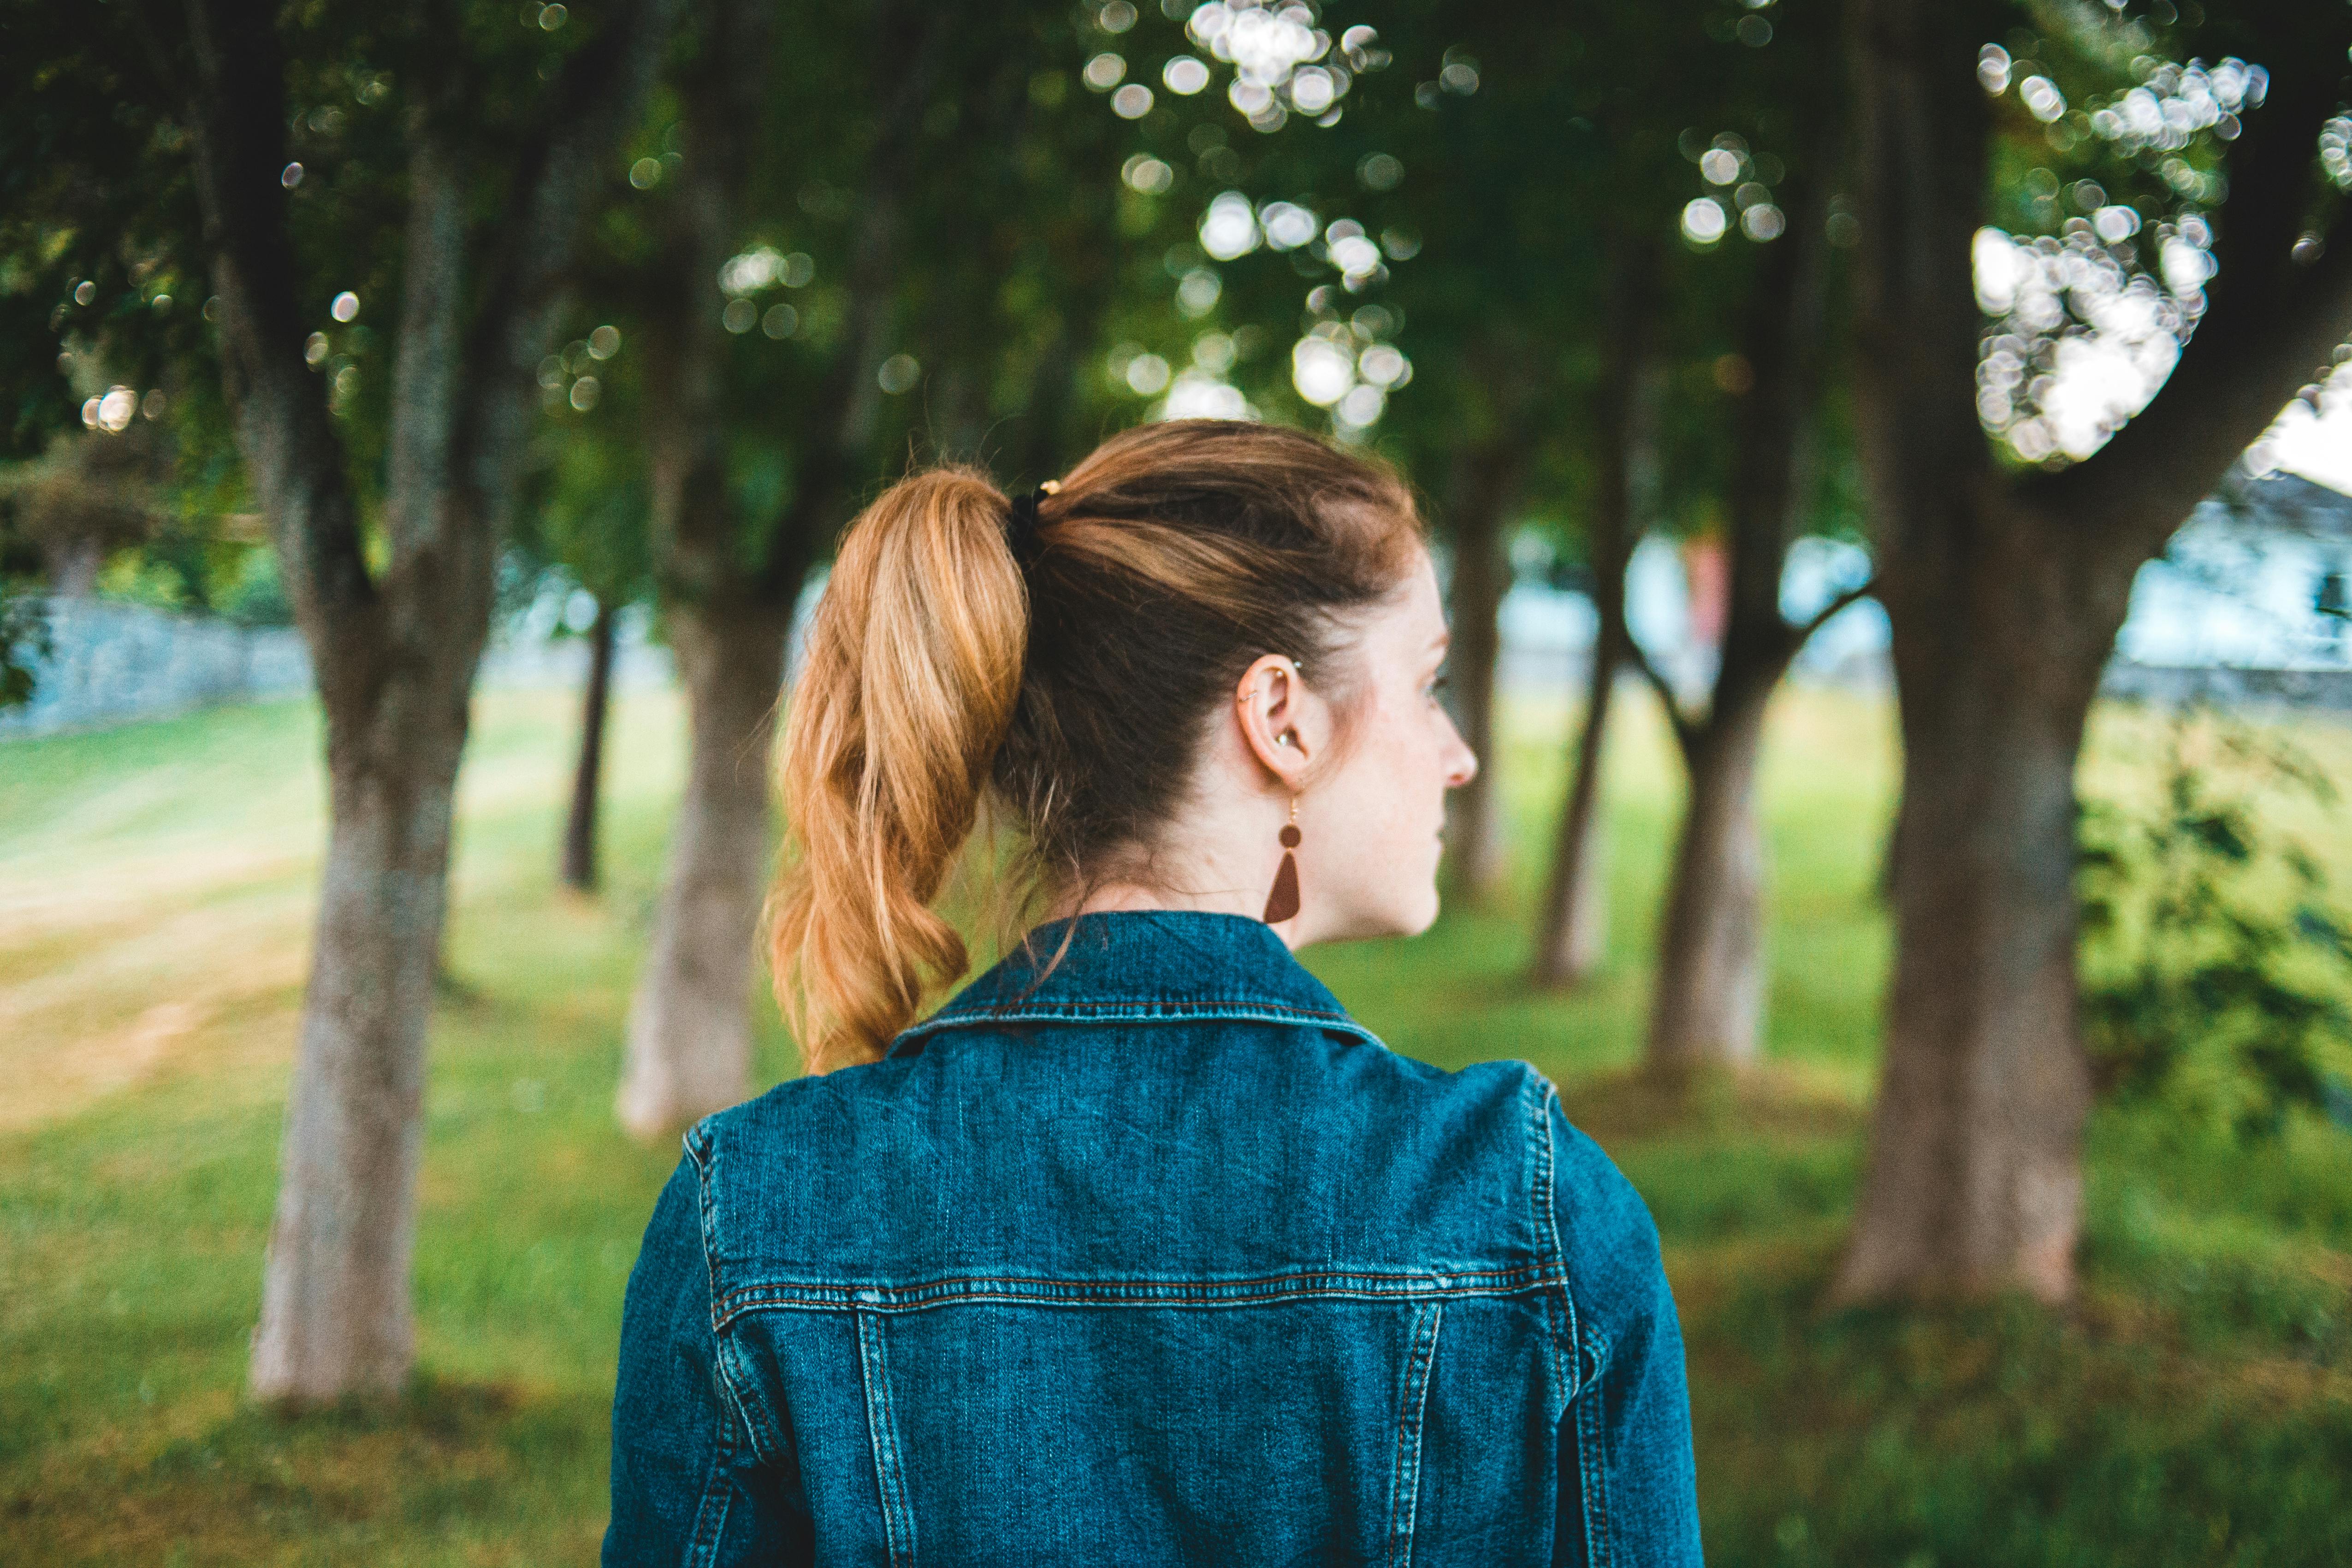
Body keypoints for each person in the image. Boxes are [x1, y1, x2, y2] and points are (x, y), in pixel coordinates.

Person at [604, 420, 1701, 1565]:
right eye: (1424, 684)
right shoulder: (1531, 1211)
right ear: (1282, 718)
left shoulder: (754, 1214)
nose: (1456, 753)